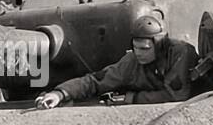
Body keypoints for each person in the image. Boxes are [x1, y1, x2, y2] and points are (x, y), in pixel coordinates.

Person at [35, 10, 199, 108]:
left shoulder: (180, 53)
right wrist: (60, 93)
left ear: (160, 45)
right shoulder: (132, 61)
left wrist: (132, 99)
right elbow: (95, 81)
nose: (139, 53)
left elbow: (177, 96)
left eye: (145, 49)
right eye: (135, 47)